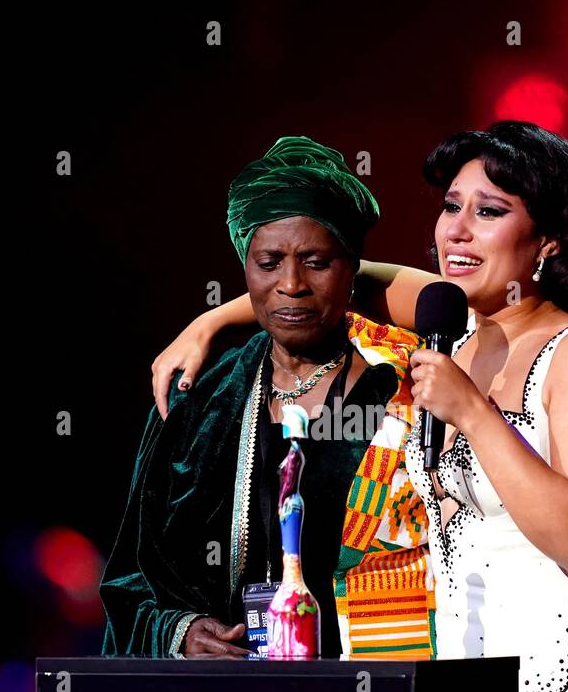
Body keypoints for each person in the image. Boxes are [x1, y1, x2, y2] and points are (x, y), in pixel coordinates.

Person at [158, 122, 568, 692]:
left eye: (489, 212)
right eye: (451, 205)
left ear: (547, 239)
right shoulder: (454, 328)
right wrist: (212, 320)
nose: (457, 230)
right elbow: (339, 276)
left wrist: (471, 412)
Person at [100, 136, 437, 659]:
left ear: (354, 272)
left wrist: (211, 317)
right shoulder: (198, 401)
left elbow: (453, 302)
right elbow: (130, 577)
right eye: (269, 262)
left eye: (317, 262)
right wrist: (181, 633)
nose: (291, 285)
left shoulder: (409, 387)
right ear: (246, 271)